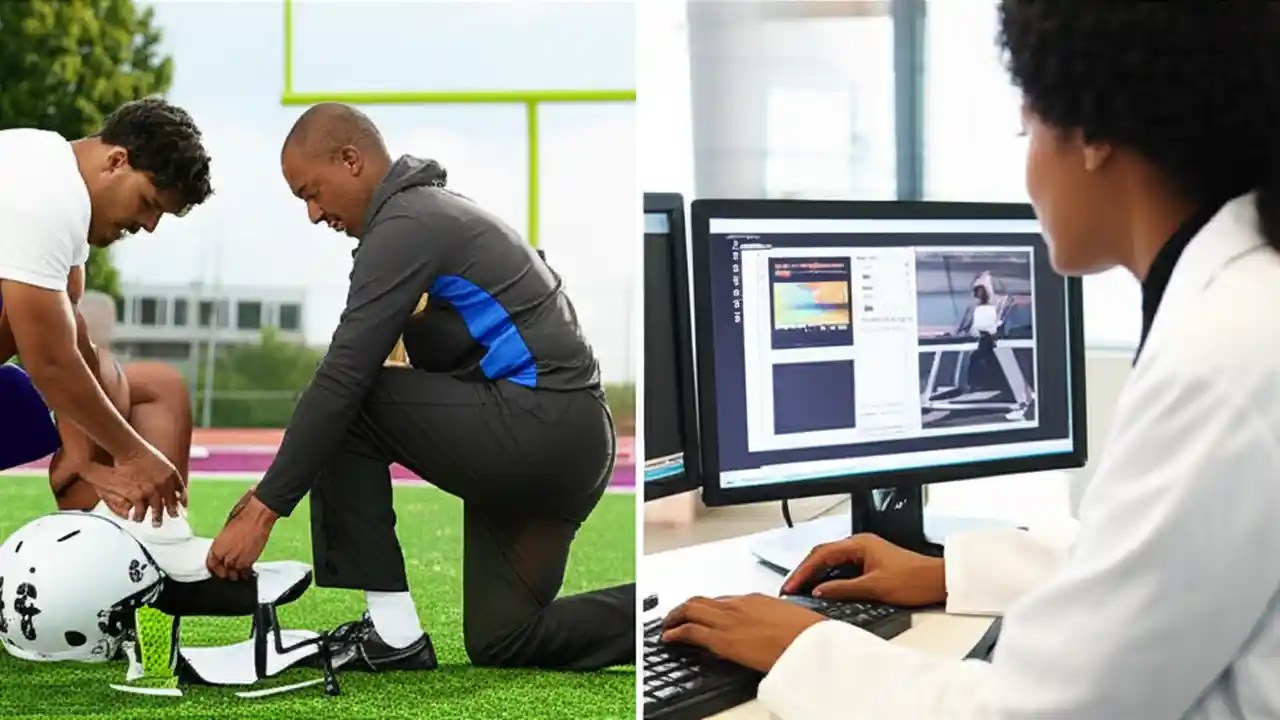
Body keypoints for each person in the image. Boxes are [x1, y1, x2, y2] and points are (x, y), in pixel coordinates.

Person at [662, 3, 1280, 717]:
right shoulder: (1241, 310)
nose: (1027, 170)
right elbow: (1170, 569)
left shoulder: (1223, 359)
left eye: (1027, 127)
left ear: (1094, 134)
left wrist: (805, 648)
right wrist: (950, 570)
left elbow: (1037, 713)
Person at [206, 103, 635, 672]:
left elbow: (343, 376)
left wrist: (263, 509)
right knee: (504, 639)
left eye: (312, 192)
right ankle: (659, 615)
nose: (313, 215)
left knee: (349, 401)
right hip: (565, 441)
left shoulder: (407, 223)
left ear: (351, 160)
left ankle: (392, 633)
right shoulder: (437, 212)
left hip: (544, 427)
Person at [0, 97, 214, 526]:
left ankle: (141, 545)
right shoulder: (42, 194)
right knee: (44, 387)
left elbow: (72, 339)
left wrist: (82, 455)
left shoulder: (52, 170)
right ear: (117, 161)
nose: (149, 226)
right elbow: (52, 363)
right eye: (149, 203)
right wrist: (134, 455)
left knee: (154, 388)